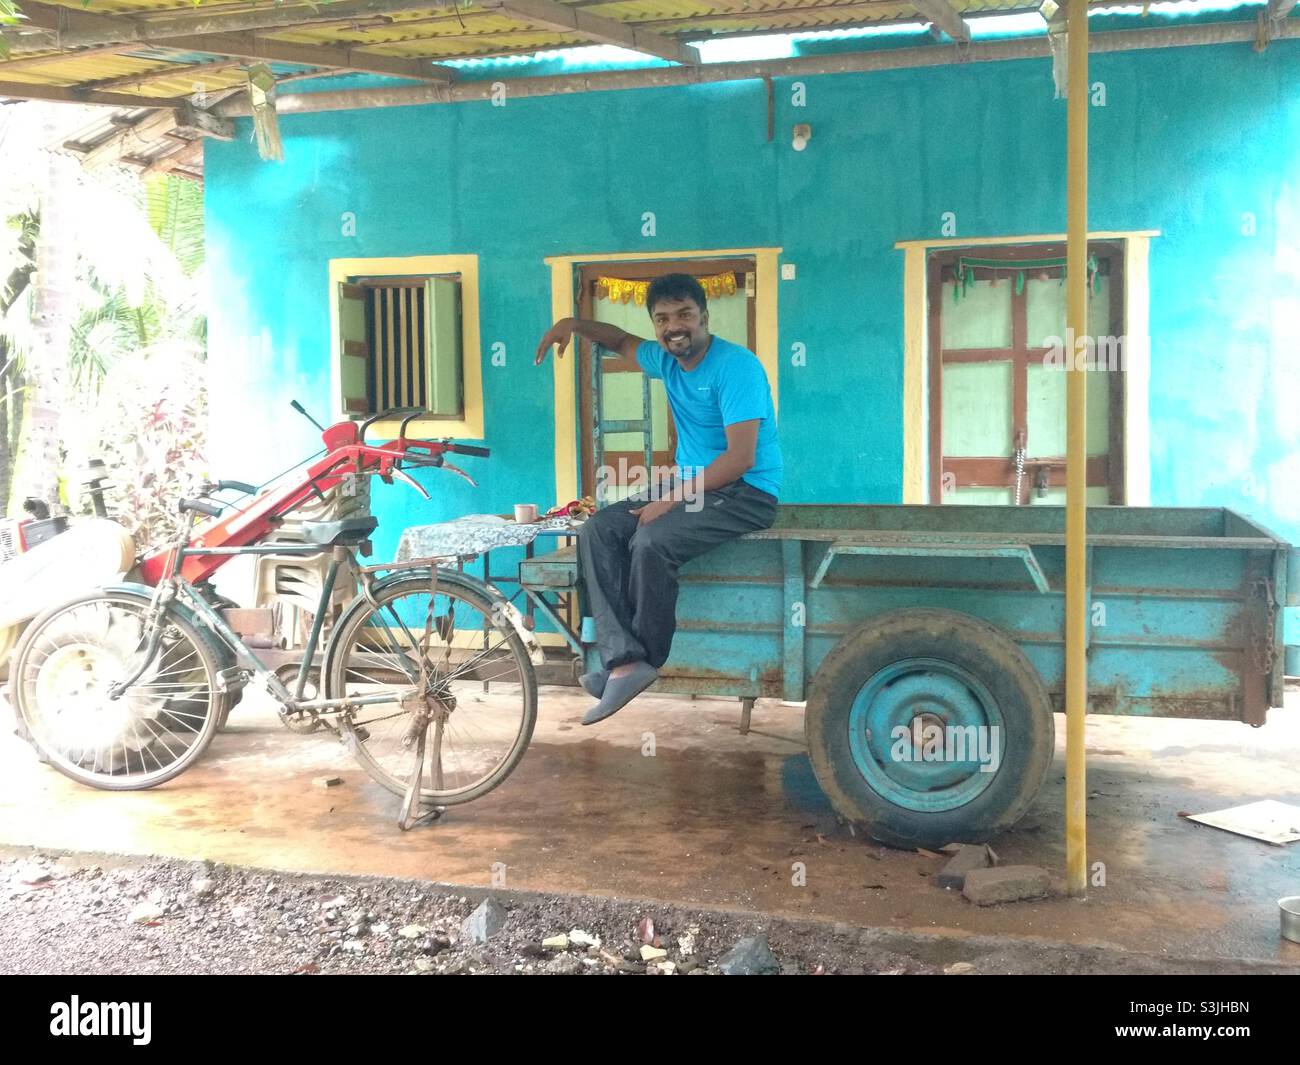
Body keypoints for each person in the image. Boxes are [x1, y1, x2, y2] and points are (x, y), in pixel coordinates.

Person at [534, 273, 783, 724]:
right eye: (663, 318)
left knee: (652, 540)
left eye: (685, 314)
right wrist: (573, 323)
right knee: (598, 529)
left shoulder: (736, 366)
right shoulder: (664, 359)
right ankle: (623, 660)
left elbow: (741, 458)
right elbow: (619, 339)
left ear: (704, 317)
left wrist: (668, 502)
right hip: (692, 484)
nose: (675, 326)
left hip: (747, 492)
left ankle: (639, 661)